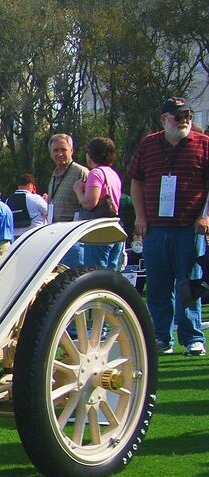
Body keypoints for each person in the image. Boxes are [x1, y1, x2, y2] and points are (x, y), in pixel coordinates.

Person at [128, 96, 209, 356]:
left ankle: (193, 337)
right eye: (178, 115)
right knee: (158, 286)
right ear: (164, 119)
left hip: (189, 226)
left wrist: (205, 216)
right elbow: (137, 182)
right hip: (154, 227)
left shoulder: (204, 144)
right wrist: (140, 216)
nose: (184, 119)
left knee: (188, 284)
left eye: (187, 114)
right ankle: (161, 338)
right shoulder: (149, 144)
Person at [71, 136, 124, 269]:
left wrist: (78, 190)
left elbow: (89, 203)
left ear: (91, 154)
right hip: (115, 228)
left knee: (95, 274)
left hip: (99, 230)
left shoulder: (95, 173)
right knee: (111, 276)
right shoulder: (113, 174)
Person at [46, 134, 89, 223]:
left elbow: (88, 205)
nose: (59, 154)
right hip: (55, 229)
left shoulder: (80, 172)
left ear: (71, 151)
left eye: (63, 149)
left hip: (73, 230)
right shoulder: (54, 175)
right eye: (55, 150)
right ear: (51, 154)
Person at [7, 173, 49, 241]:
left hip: (15, 238)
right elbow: (49, 214)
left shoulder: (8, 200)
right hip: (35, 236)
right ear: (30, 185)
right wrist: (47, 202)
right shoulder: (36, 198)